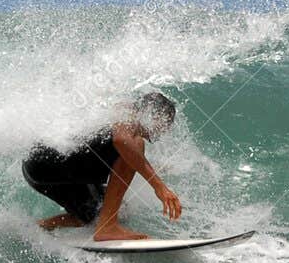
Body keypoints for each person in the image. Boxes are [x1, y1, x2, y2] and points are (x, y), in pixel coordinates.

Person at [22, 91, 183, 242]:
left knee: (95, 214)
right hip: (45, 162)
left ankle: (38, 227)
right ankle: (107, 227)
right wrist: (159, 187)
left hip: (42, 170)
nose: (162, 132)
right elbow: (121, 141)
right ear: (153, 115)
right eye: (164, 124)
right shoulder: (127, 110)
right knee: (133, 146)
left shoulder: (120, 121)